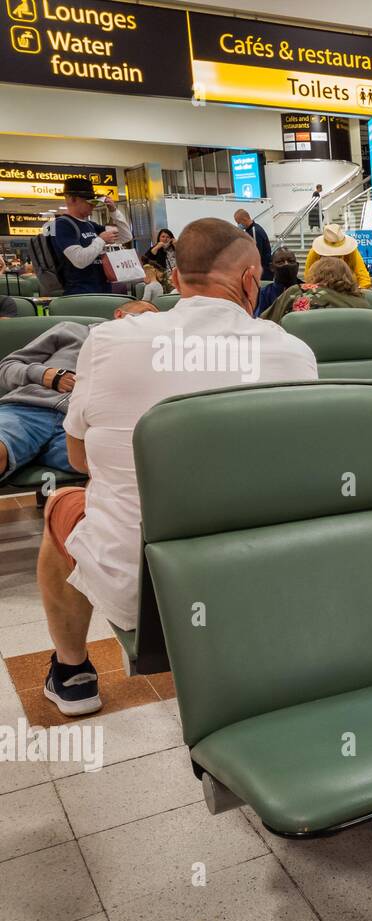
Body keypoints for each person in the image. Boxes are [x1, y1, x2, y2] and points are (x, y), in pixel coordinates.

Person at [36, 218, 318, 716]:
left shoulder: (109, 341)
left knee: (62, 502)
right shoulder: (293, 352)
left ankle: (73, 672)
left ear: (175, 278)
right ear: (252, 279)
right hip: (268, 576)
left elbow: (81, 461)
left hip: (146, 591)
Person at [0, 302, 158, 490]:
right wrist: (43, 374)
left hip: (86, 426)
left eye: (155, 319)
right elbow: (6, 367)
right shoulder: (72, 332)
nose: (149, 322)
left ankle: (68, 508)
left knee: (126, 468)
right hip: (28, 410)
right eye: (145, 313)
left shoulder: (151, 353)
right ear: (119, 314)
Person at [48, 178, 133, 296]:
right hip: (79, 294)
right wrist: (101, 239)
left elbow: (125, 236)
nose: (93, 205)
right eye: (89, 201)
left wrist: (114, 211)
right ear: (73, 199)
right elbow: (79, 260)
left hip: (103, 289)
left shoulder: (89, 225)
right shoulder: (60, 225)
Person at [262, 255, 369, 323]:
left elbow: (265, 322)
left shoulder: (298, 292)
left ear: (315, 274)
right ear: (348, 275)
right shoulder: (364, 304)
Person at [304, 224, 372, 290]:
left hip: (347, 287)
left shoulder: (351, 251)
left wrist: (359, 290)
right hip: (322, 288)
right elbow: (308, 277)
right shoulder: (315, 252)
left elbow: (363, 276)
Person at [256, 248, 301, 317]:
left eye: (291, 261)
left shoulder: (308, 289)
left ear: (297, 266)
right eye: (280, 262)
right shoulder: (263, 294)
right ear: (271, 267)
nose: (286, 264)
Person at [233, 208, 273, 281]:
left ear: (244, 219)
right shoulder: (250, 230)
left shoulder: (255, 231)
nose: (238, 225)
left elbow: (256, 255)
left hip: (263, 272)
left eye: (238, 222)